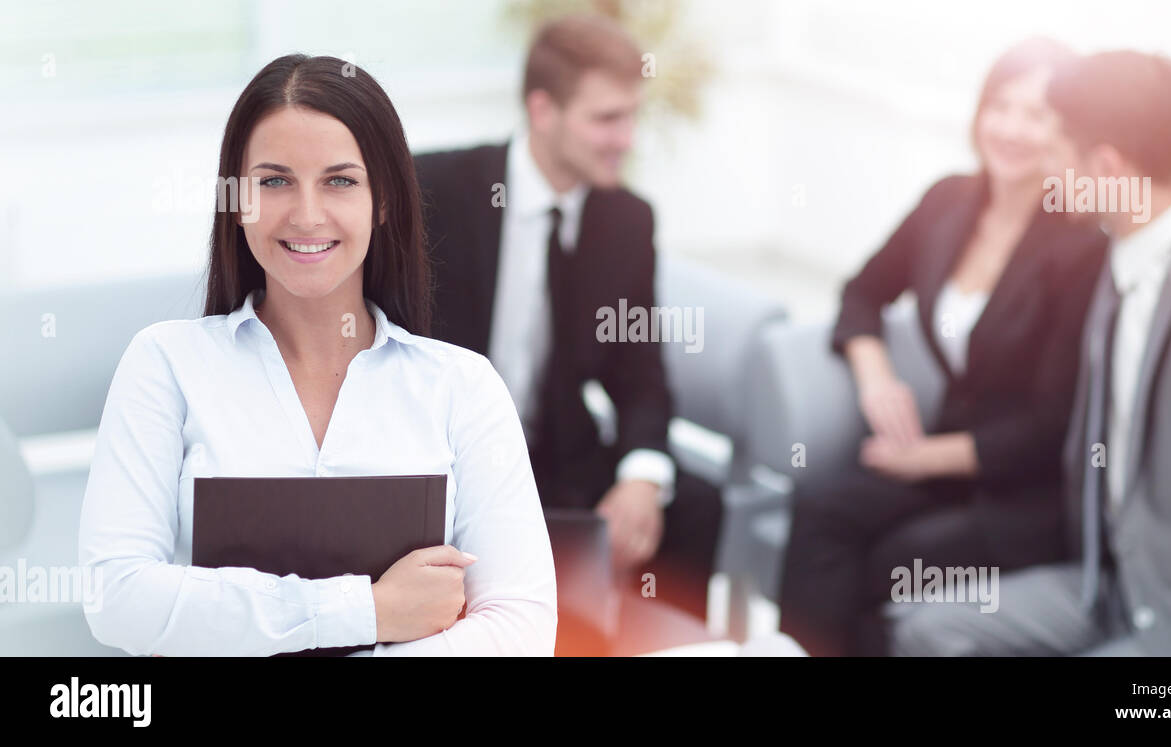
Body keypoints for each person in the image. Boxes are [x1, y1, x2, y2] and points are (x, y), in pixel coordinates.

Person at [78, 54, 557, 656]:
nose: (307, 215)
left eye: (340, 180)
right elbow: (116, 598)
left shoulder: (462, 386)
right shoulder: (165, 366)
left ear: (382, 201)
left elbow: (521, 627)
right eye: (274, 181)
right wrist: (368, 611)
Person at [893, 51, 1171, 657]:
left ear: (1106, 165)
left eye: (1056, 152)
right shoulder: (1123, 248)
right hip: (1106, 589)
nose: (1046, 171)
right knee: (928, 629)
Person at [776, 39, 1109, 656]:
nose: (1010, 129)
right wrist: (876, 375)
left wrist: (921, 458)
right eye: (1000, 106)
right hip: (939, 454)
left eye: (1036, 116)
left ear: (1068, 135)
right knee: (820, 508)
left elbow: (1052, 423)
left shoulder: (1082, 246)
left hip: (1025, 493)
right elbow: (863, 292)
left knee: (893, 564)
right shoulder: (949, 202)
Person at [413, 14, 722, 638]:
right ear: (543, 109)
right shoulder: (437, 189)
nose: (626, 138)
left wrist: (641, 477)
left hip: (554, 456)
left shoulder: (626, 220)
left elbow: (642, 376)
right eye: (607, 118)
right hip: (443, 458)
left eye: (632, 116)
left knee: (692, 502)